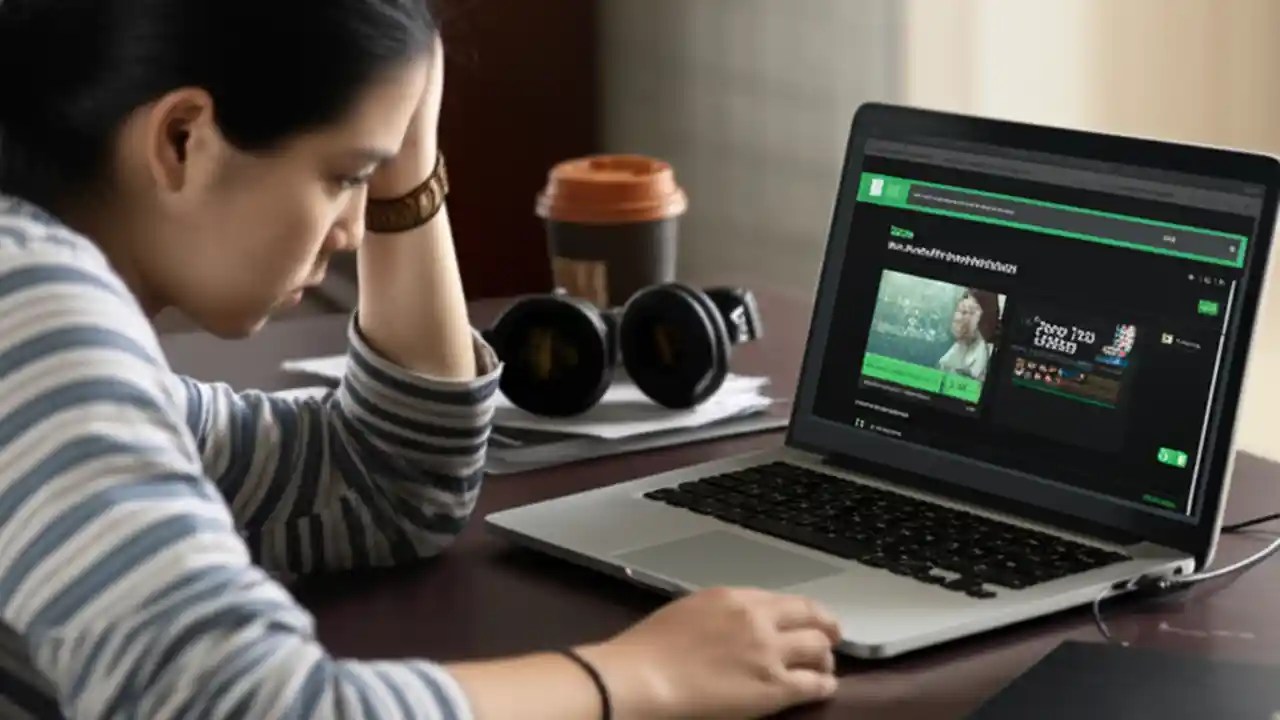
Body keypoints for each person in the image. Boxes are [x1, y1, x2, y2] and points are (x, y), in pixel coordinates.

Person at [0, 1, 843, 718]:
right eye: (344, 176)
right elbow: (246, 706)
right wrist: (636, 677)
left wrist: (408, 167)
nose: (355, 228)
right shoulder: (32, 312)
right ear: (184, 138)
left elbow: (384, 484)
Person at [937, 289, 1001, 381]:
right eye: (958, 310)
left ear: (984, 319)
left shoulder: (992, 357)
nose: (957, 318)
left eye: (966, 312)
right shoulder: (956, 349)